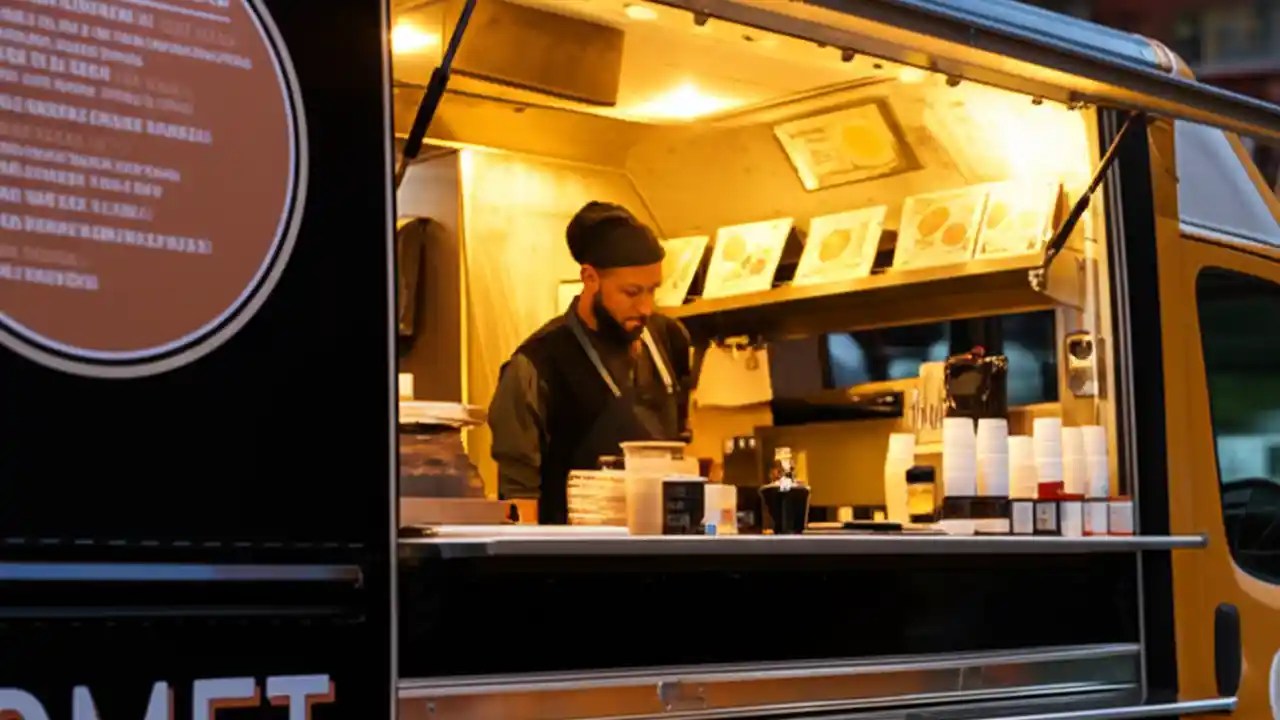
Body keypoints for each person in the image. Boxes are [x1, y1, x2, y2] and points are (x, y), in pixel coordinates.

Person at [488, 201, 693, 525]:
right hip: (576, 559)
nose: (645, 307)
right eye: (631, 292)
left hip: (662, 550)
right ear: (590, 278)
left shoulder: (671, 339)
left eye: (653, 290)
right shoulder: (536, 366)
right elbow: (520, 498)